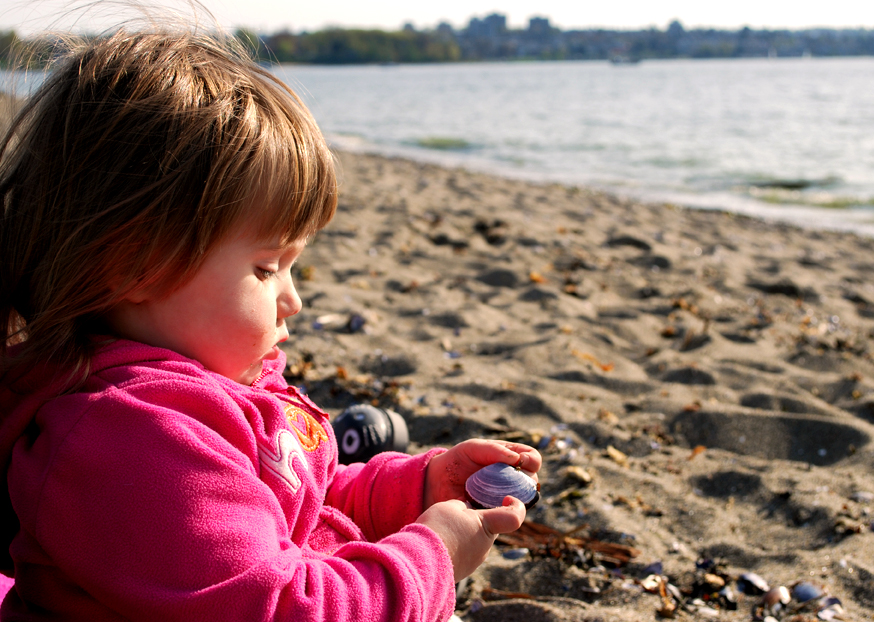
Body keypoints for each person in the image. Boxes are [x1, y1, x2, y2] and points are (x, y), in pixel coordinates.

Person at [0, 27, 541, 620]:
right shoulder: (131, 442)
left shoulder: (218, 385)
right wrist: (430, 556)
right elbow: (284, 609)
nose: (294, 301)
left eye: (292, 266)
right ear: (133, 266)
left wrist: (418, 489)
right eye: (266, 268)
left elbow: (302, 494)